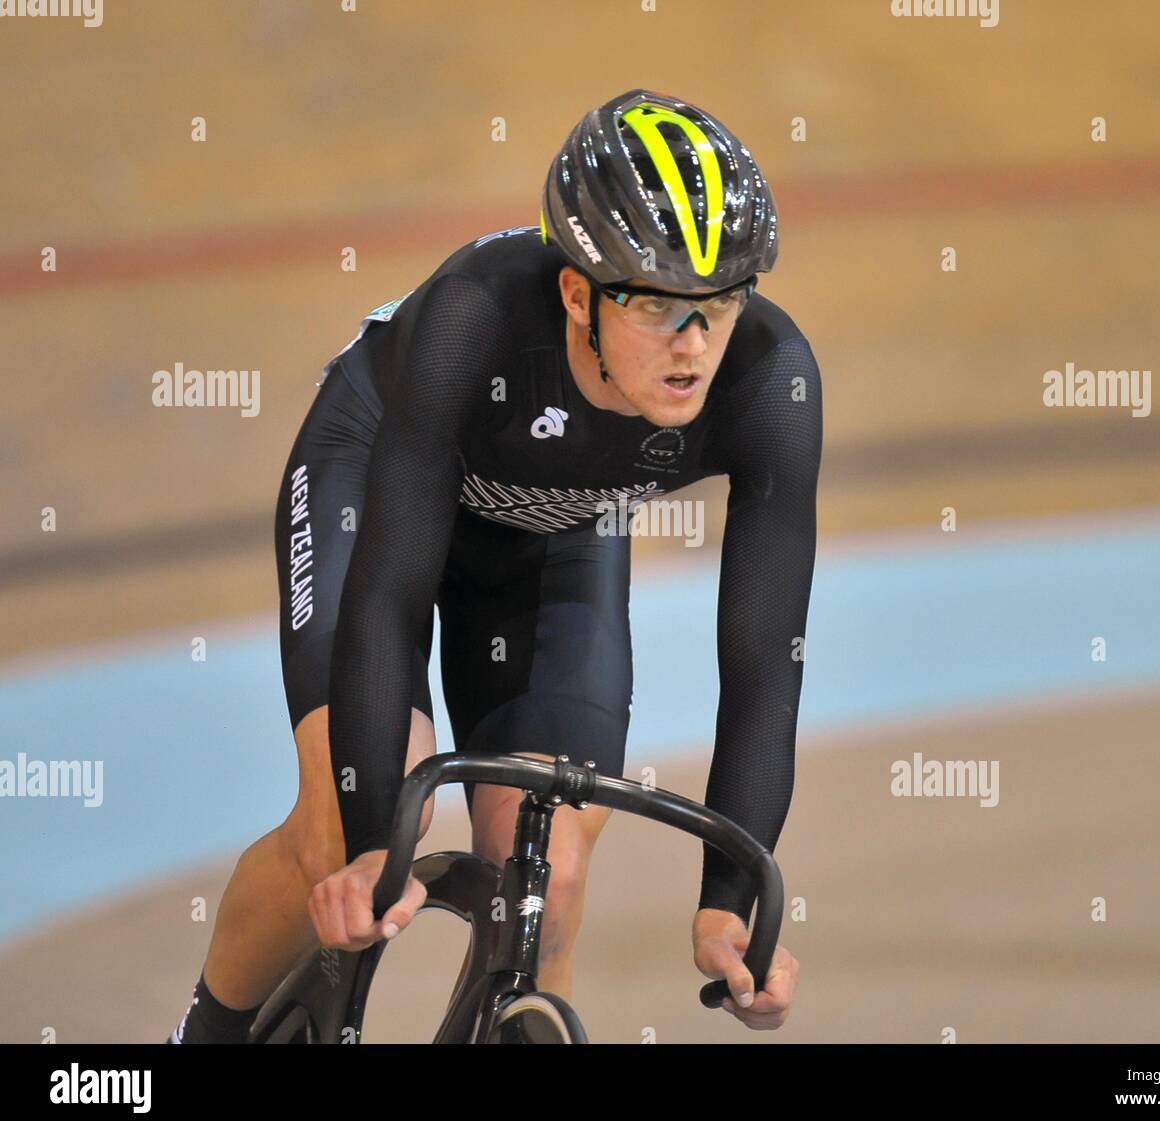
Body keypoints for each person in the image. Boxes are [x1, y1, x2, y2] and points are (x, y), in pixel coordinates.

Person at [168, 88, 821, 1042]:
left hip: (554, 533)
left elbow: (766, 668)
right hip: (378, 482)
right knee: (343, 836)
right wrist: (363, 847)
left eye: (718, 304)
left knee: (544, 878)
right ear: (575, 295)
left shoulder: (771, 380)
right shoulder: (474, 315)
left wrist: (731, 902)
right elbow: (388, 600)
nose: (694, 344)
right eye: (656, 304)